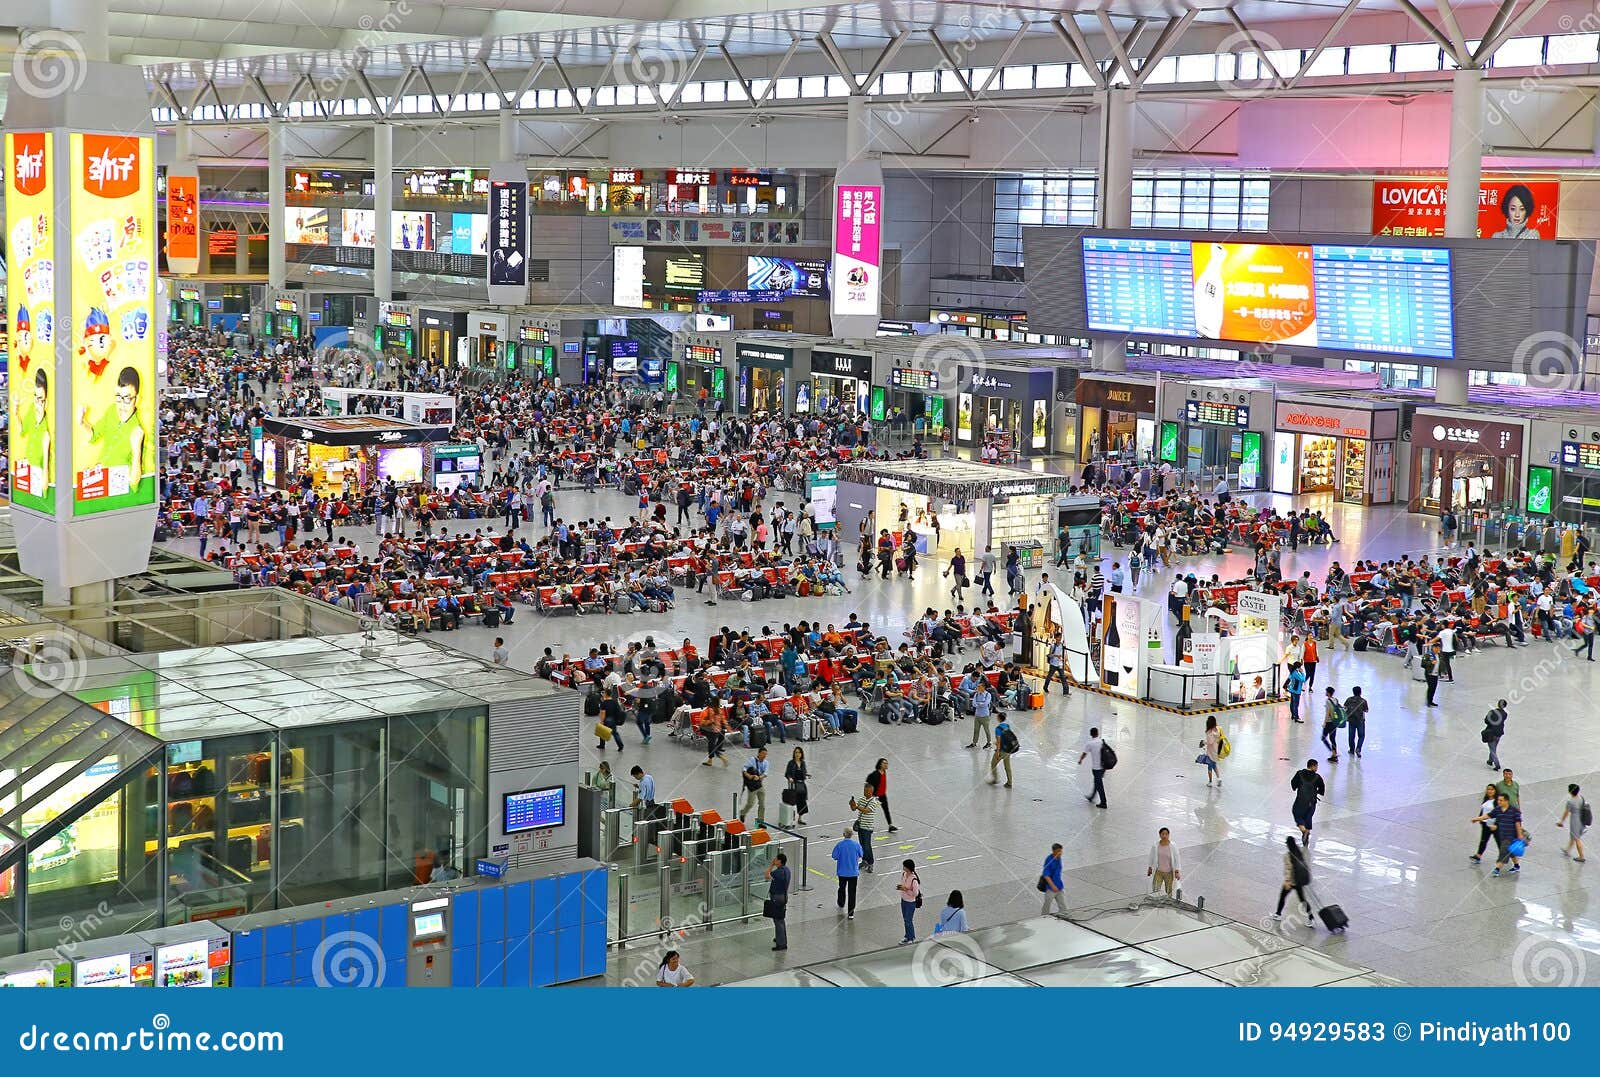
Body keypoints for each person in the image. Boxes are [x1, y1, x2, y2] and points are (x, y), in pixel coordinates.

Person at [1473, 792, 1525, 877]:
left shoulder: (1514, 810)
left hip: (1511, 836)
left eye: (1501, 800)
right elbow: (1488, 815)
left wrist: (1519, 835)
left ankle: (1497, 869)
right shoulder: (1498, 809)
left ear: (1506, 801)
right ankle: (1516, 866)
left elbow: (1517, 823)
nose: (1499, 802)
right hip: (1503, 835)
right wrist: (1477, 819)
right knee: (1511, 852)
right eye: (1498, 800)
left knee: (1503, 853)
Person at [1271, 836, 1315, 927]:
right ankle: (1311, 918)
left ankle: (1278, 914)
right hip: (1299, 881)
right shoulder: (1300, 851)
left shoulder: (1287, 855)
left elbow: (1288, 869)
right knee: (1303, 900)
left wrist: (1287, 881)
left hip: (1291, 881)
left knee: (1282, 896)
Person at [1290, 759, 1325, 846]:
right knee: (1308, 817)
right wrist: (1317, 791)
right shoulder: (1317, 777)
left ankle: (1304, 831)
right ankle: (1306, 834)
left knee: (1297, 814)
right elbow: (1322, 789)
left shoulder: (1299, 773)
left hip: (1300, 800)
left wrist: (1297, 787)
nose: (1317, 768)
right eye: (1316, 766)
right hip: (1311, 802)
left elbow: (1293, 784)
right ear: (1313, 766)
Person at [832, 826, 863, 918]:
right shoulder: (856, 845)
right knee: (852, 892)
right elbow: (861, 854)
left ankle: (841, 902)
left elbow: (834, 856)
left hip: (842, 872)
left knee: (841, 888)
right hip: (853, 873)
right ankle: (851, 913)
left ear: (844, 834)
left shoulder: (840, 845)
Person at [849, 781, 879, 872]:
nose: (865, 793)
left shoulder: (874, 802)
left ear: (871, 792)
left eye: (867, 792)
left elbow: (866, 810)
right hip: (861, 826)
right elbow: (854, 809)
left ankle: (871, 863)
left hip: (867, 827)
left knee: (867, 846)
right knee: (862, 846)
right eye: (864, 791)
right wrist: (852, 804)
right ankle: (864, 861)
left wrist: (857, 807)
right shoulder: (862, 799)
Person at [765, 852, 791, 951]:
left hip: (777, 897)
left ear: (780, 861)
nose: (774, 861)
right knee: (780, 918)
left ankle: (781, 943)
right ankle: (780, 938)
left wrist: (771, 865)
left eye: (776, 859)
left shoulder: (778, 873)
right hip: (783, 896)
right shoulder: (786, 870)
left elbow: (767, 875)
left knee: (778, 920)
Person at [1469, 782, 1499, 864]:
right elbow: (1483, 811)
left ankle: (1505, 856)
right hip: (1486, 824)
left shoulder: (1497, 801)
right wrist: (1480, 819)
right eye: (1488, 789)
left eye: (1491, 789)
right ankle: (1478, 856)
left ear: (1495, 791)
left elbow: (1498, 813)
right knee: (1483, 840)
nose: (1489, 791)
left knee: (1499, 841)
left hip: (1494, 825)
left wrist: (1496, 824)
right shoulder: (1486, 800)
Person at [739, 746, 770, 826]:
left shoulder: (766, 763)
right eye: (763, 754)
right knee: (750, 803)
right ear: (759, 753)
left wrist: (759, 777)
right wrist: (749, 775)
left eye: (765, 754)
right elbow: (744, 769)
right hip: (752, 786)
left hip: (760, 785)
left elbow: (766, 773)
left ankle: (760, 821)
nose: (764, 756)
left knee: (762, 804)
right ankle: (743, 812)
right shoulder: (752, 760)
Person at [1148, 827, 1182, 897]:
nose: (1164, 836)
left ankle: (1168, 902)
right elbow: (1151, 857)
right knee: (1155, 889)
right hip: (1158, 872)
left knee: (1169, 890)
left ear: (1168, 835)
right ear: (1159, 835)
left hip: (1169, 873)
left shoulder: (1173, 846)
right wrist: (1150, 867)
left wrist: (1177, 871)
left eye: (1166, 834)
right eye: (1162, 834)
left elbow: (1177, 859)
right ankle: (1156, 902)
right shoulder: (1155, 845)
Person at [1079, 726, 1108, 808]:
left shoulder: (1090, 744)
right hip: (1103, 767)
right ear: (1097, 733)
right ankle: (1092, 797)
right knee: (1097, 782)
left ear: (1091, 734)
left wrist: (1080, 760)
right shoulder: (1102, 742)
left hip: (1096, 768)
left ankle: (1103, 802)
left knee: (1099, 785)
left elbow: (1085, 753)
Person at [868, 758, 899, 833]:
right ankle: (864, 825)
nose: (886, 765)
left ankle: (890, 825)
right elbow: (869, 782)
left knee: (886, 810)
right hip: (876, 797)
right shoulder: (875, 774)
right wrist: (872, 794)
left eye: (887, 763)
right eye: (884, 763)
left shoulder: (884, 772)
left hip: (882, 796)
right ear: (880, 764)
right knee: (870, 811)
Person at [1559, 784, 1589, 862]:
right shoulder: (1581, 798)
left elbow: (1566, 812)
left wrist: (1561, 821)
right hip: (1581, 818)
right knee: (1573, 835)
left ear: (1570, 791)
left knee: (1576, 838)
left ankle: (1581, 856)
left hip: (1575, 820)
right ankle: (1567, 850)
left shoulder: (1570, 801)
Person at [896, 859, 922, 944]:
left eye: (904, 866)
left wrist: (906, 889)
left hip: (910, 902)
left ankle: (911, 937)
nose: (903, 867)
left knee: (908, 920)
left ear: (908, 867)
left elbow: (915, 893)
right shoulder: (904, 874)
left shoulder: (914, 879)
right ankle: (907, 936)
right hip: (903, 900)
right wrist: (901, 887)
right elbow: (904, 885)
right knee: (905, 919)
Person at [1040, 841, 1068, 915]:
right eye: (1058, 851)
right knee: (1047, 904)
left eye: (1061, 851)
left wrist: (1058, 886)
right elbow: (1046, 875)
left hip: (1059, 887)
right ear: (1053, 851)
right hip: (1051, 888)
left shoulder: (1059, 858)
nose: (1060, 853)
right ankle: (1044, 917)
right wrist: (1053, 886)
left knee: (1062, 904)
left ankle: (1065, 915)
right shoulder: (1049, 860)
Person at [989, 717, 1018, 787]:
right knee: (1007, 766)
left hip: (1002, 750)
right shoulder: (1007, 726)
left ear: (999, 719)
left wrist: (998, 752)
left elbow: (999, 742)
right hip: (1008, 749)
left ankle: (995, 779)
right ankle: (1009, 782)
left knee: (993, 764)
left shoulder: (998, 729)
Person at [784, 747, 810, 825]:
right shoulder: (791, 763)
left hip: (801, 784)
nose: (797, 754)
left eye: (799, 752)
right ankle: (790, 818)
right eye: (796, 752)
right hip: (794, 785)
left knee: (802, 801)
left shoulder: (803, 763)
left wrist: (806, 775)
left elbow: (804, 772)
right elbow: (787, 773)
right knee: (792, 801)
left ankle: (800, 818)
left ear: (801, 754)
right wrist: (790, 778)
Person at [966, 681, 994, 750]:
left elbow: (986, 704)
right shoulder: (976, 694)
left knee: (986, 730)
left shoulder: (988, 695)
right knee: (976, 730)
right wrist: (980, 704)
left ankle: (989, 742)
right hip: (977, 715)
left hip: (985, 716)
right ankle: (974, 743)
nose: (977, 688)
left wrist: (979, 704)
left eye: (979, 686)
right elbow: (973, 704)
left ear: (983, 687)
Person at [1343, 686, 1368, 759]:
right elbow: (1366, 710)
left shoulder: (1349, 699)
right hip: (1360, 721)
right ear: (1360, 692)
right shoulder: (1363, 701)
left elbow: (1344, 707)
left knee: (1351, 736)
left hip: (1351, 720)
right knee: (1361, 735)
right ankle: (1358, 749)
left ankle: (1351, 750)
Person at [1483, 698, 1508, 770]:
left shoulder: (1492, 712)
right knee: (1493, 748)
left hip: (1491, 732)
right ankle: (1490, 761)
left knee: (1492, 749)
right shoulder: (1505, 714)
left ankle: (1497, 764)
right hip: (1499, 733)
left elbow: (1486, 721)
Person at [1320, 686, 1342, 762]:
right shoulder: (1335, 700)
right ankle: (1334, 753)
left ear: (1328, 693)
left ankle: (1333, 753)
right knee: (1332, 739)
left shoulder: (1328, 701)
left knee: (1323, 738)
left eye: (1326, 691)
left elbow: (1327, 713)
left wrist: (1324, 723)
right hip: (1335, 722)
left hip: (1329, 722)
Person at [1200, 715, 1222, 786]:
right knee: (1214, 765)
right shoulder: (1218, 729)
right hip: (1216, 750)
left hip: (1211, 753)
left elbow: (1210, 742)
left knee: (1209, 767)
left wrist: (1203, 742)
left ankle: (1210, 782)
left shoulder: (1210, 733)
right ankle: (1219, 778)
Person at [1421, 643, 1440, 707]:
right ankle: (1428, 701)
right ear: (1433, 648)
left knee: (1434, 688)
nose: (1437, 649)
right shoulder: (1428, 655)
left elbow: (1442, 664)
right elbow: (1423, 664)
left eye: (1438, 648)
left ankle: (1431, 701)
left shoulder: (1439, 655)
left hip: (1436, 674)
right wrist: (1430, 663)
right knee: (1431, 687)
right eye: (1436, 648)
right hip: (1429, 674)